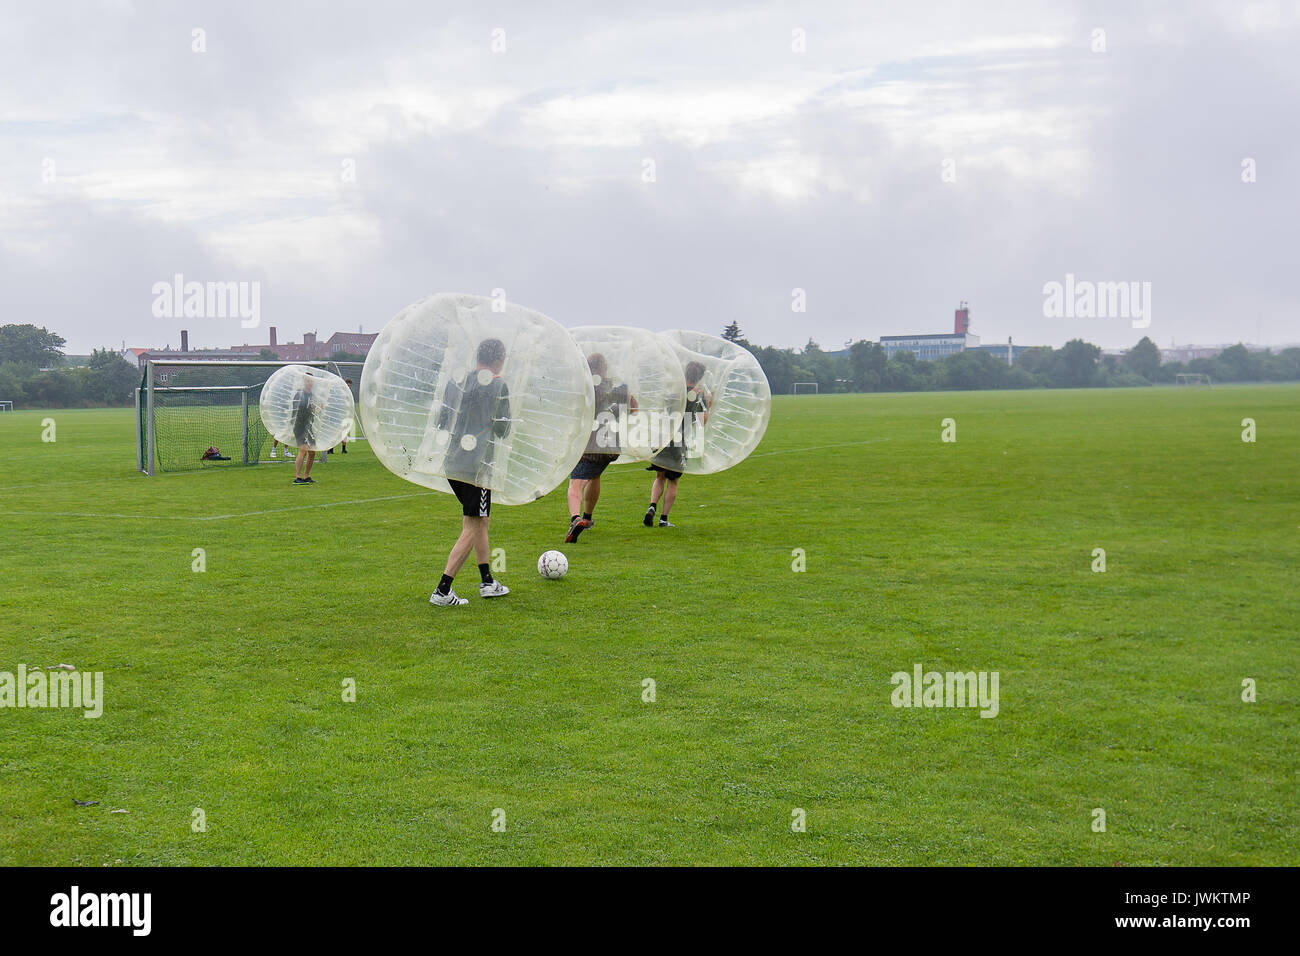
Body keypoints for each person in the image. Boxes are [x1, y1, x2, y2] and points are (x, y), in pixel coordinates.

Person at [430, 338, 512, 606]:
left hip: (452, 461)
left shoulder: (459, 381)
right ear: (499, 359)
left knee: (478, 520)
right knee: (475, 524)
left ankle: (487, 580)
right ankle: (443, 590)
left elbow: (442, 418)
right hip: (478, 466)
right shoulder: (499, 385)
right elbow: (503, 429)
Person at [565, 353, 637, 543]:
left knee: (576, 483)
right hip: (610, 445)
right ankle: (587, 518)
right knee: (595, 475)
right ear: (604, 368)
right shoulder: (617, 388)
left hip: (589, 444)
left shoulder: (586, 388)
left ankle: (575, 519)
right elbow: (633, 409)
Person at [644, 361, 712, 528]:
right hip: (680, 442)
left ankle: (652, 506)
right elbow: (702, 421)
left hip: (663, 438)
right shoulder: (698, 395)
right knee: (672, 481)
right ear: (699, 377)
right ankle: (663, 519)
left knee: (659, 476)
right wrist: (708, 405)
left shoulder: (674, 392)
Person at [292, 375, 318, 484]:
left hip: (308, 426)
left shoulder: (312, 395)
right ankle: (297, 477)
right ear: (304, 382)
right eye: (308, 381)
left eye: (311, 381)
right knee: (303, 450)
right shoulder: (299, 394)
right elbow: (296, 410)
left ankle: (306, 476)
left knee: (312, 453)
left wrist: (317, 408)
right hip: (299, 426)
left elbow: (313, 410)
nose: (310, 383)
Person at [327, 379, 355, 456]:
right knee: (333, 432)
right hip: (336, 415)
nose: (349, 387)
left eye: (350, 385)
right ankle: (330, 449)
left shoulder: (349, 395)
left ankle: (343, 449)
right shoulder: (340, 393)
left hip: (344, 416)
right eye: (348, 385)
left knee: (344, 432)